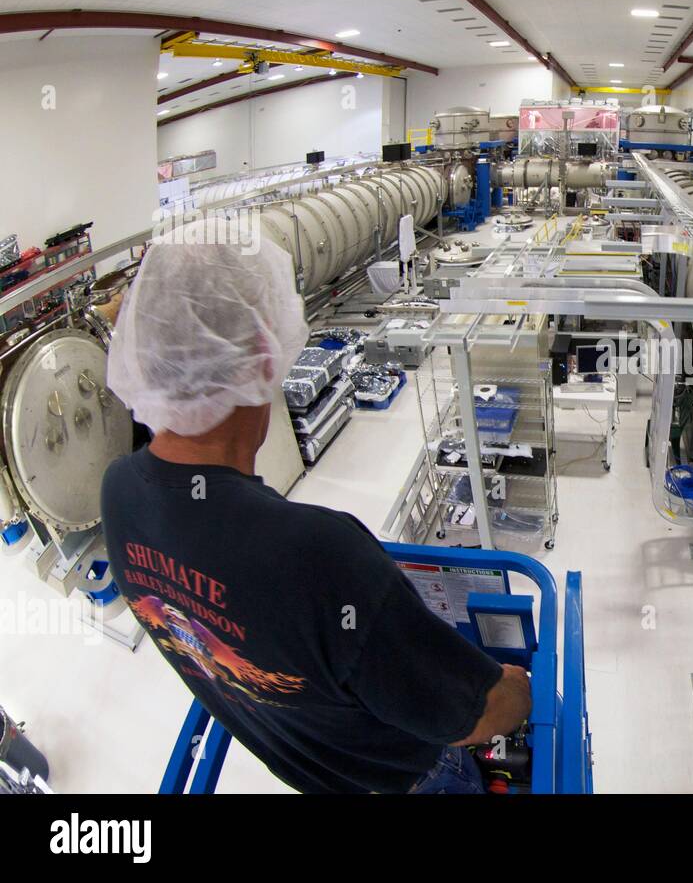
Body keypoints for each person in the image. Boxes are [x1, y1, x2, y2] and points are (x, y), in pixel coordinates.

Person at [100, 221, 530, 793]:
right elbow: (481, 713)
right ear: (263, 352)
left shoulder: (119, 490)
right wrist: (517, 687)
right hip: (405, 777)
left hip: (306, 769)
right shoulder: (317, 553)